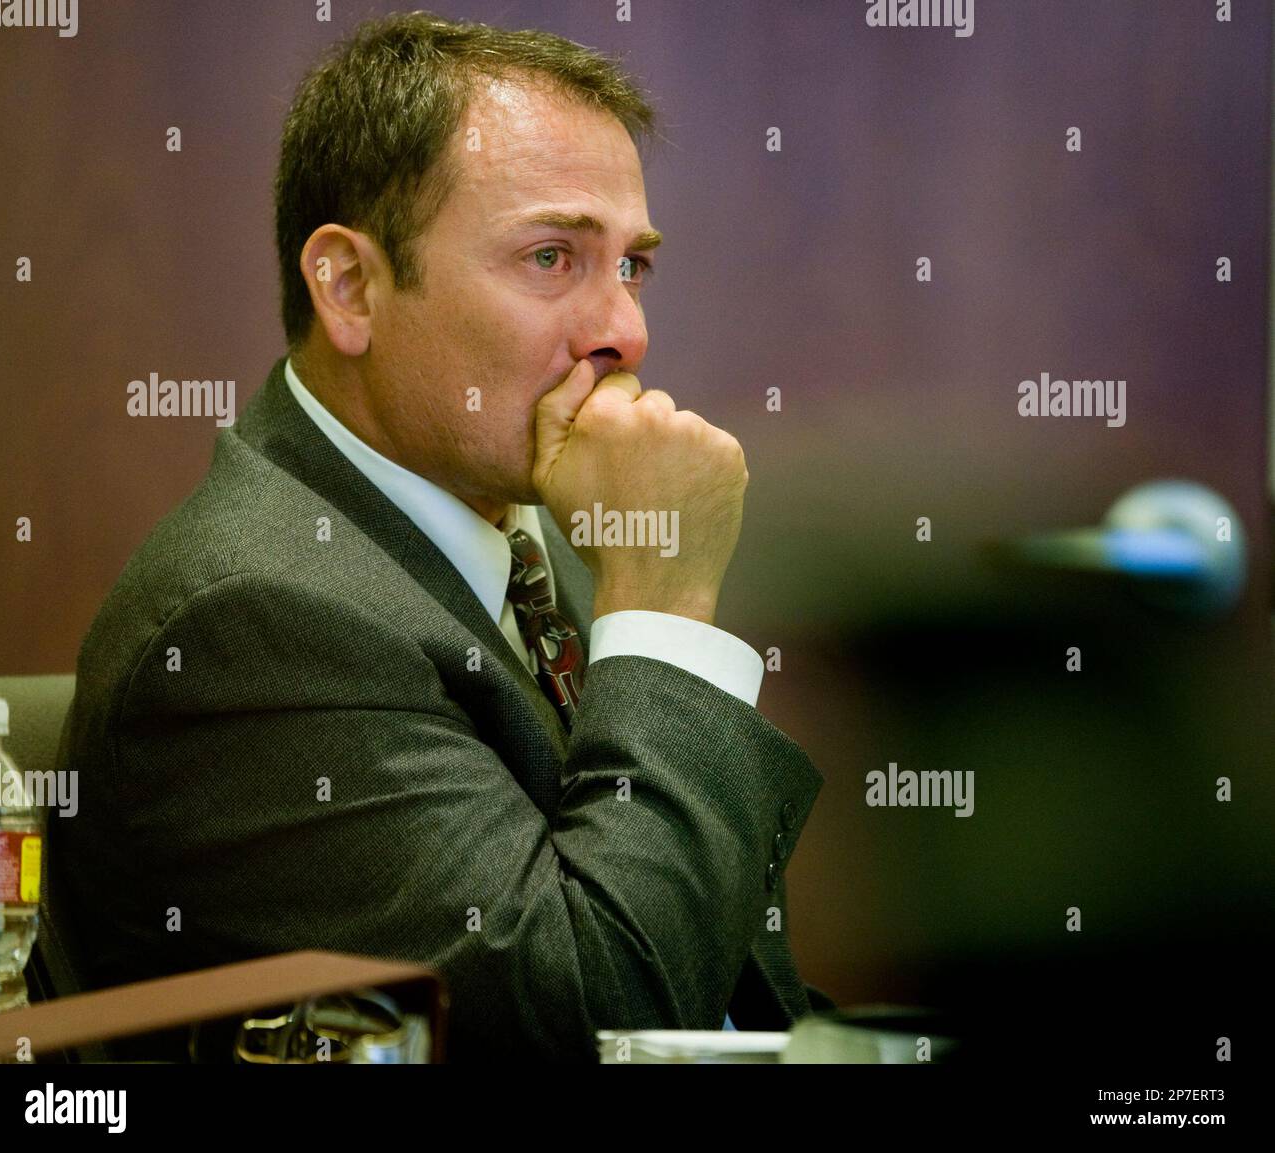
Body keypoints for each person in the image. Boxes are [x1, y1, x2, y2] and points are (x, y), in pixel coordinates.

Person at [51, 10, 829, 1062]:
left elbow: (730, 977)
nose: (626, 331)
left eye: (631, 264)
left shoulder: (543, 542)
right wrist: (665, 593)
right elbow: (594, 1020)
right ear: (351, 287)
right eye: (552, 256)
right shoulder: (255, 620)